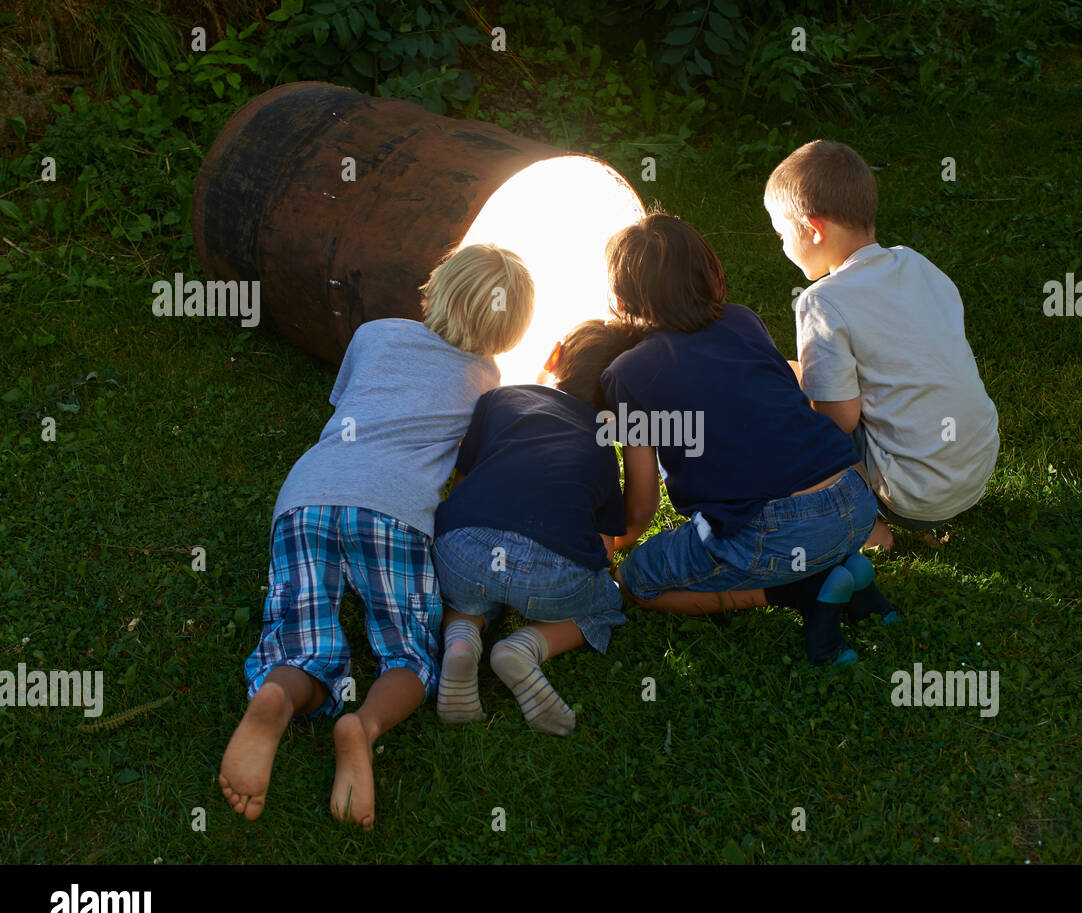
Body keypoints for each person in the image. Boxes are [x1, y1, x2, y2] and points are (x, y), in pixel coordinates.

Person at [218, 243, 534, 830]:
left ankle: (279, 697)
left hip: (308, 494)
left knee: (300, 637)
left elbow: (347, 402)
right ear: (510, 330)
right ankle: (361, 725)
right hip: (394, 512)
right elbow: (466, 469)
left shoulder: (374, 333)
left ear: (436, 285)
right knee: (410, 653)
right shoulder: (487, 382)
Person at [601, 213, 883, 666]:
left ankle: (799, 591)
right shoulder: (743, 320)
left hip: (775, 528)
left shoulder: (625, 376)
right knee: (794, 530)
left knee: (639, 583)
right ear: (710, 272)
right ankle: (845, 573)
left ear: (619, 299)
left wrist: (612, 547)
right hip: (854, 498)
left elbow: (641, 505)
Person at [765, 140, 999, 550]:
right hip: (975, 467)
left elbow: (838, 422)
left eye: (782, 234)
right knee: (794, 374)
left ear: (813, 228)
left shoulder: (821, 302)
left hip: (913, 495)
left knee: (787, 405)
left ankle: (864, 527)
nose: (782, 246)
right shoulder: (917, 264)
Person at [432, 319, 647, 736]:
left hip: (463, 548)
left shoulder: (498, 400)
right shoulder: (605, 447)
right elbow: (601, 555)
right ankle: (524, 647)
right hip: (551, 575)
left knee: (470, 584)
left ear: (555, 356)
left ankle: (461, 636)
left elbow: (460, 490)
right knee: (605, 600)